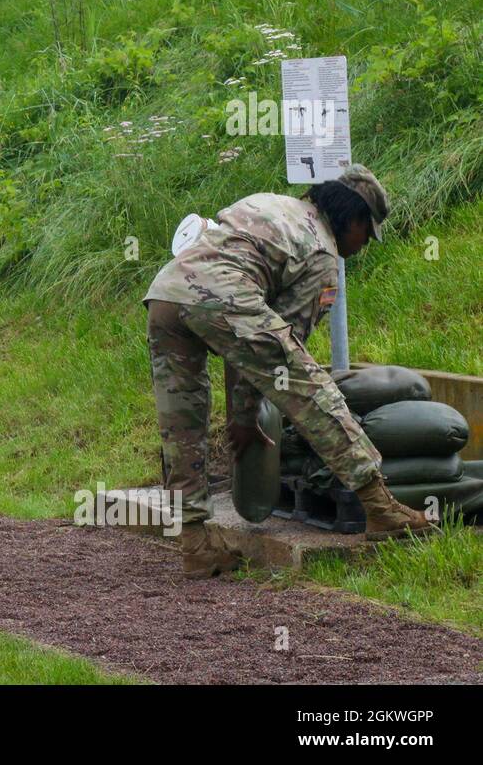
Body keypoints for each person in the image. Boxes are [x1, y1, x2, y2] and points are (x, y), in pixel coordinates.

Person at [144, 164, 433, 578]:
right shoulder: (321, 252)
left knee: (181, 424)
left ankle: (195, 545)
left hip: (166, 295)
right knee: (313, 391)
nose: (364, 244)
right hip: (222, 295)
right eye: (366, 233)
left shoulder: (271, 202)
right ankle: (380, 507)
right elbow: (281, 363)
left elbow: (248, 349)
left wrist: (243, 414)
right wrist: (244, 417)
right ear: (351, 219)